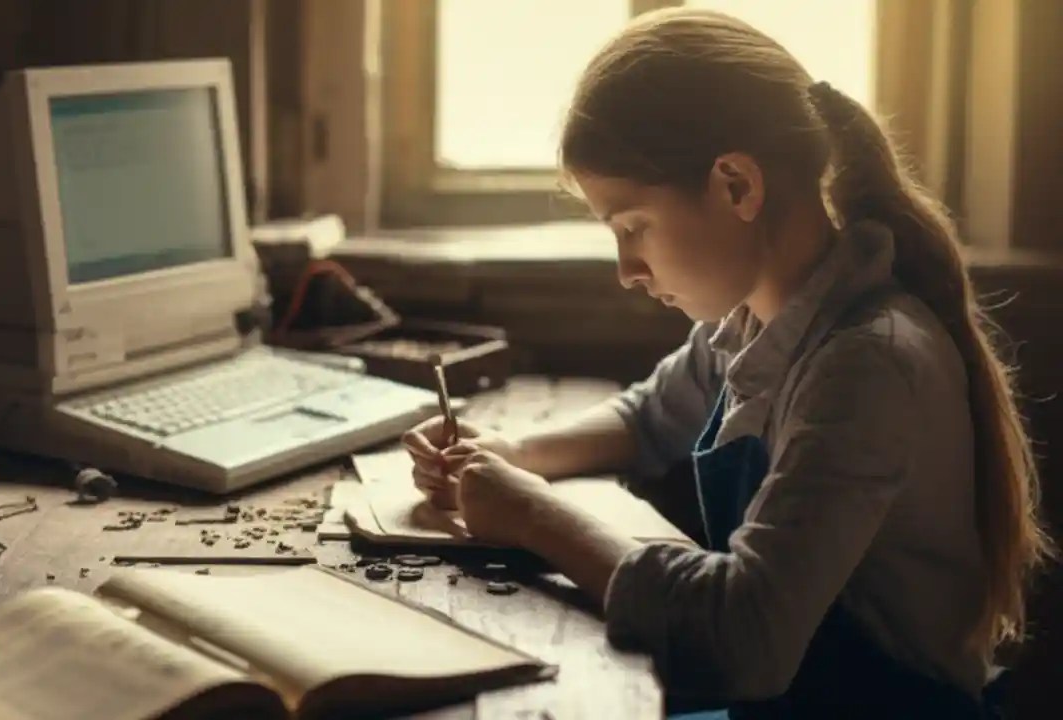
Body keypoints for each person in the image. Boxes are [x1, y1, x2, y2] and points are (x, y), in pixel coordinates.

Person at [401, 7, 1053, 718]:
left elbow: (746, 636)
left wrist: (535, 518)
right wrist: (513, 453)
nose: (626, 270)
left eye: (633, 227)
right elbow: (650, 416)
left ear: (737, 185)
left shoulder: (866, 364)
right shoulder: (754, 323)